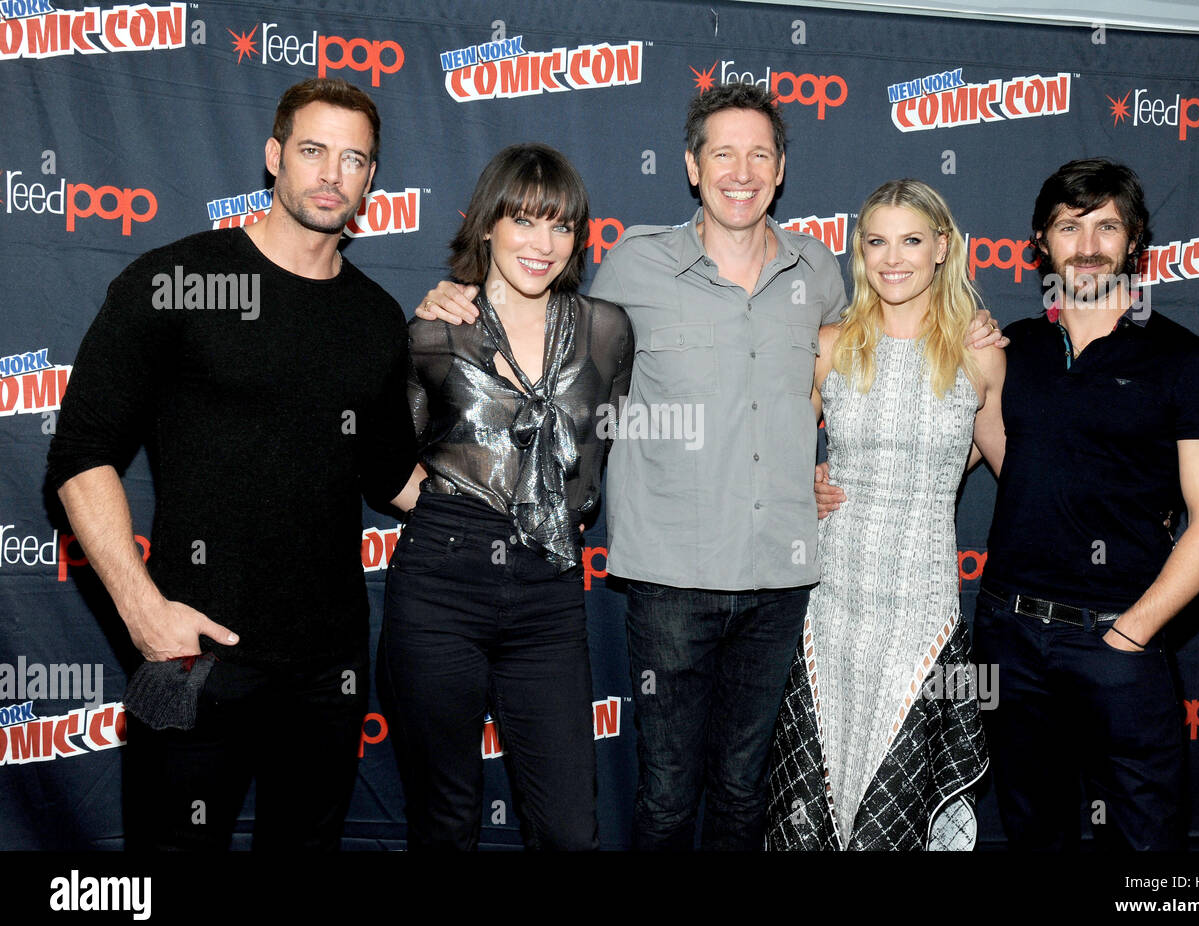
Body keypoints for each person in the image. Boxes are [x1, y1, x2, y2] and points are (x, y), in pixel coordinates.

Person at [415, 84, 1001, 851]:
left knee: (743, 793)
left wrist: (970, 330)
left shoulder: (820, 273)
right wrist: (454, 296)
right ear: (693, 167)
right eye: (722, 152)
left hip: (783, 581)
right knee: (664, 798)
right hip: (669, 578)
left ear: (782, 167)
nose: (741, 169)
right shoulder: (634, 267)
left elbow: (873, 373)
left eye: (760, 153)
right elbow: (545, 324)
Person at [46, 78, 421, 850]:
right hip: (188, 652)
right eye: (313, 151)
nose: (331, 174)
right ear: (274, 156)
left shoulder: (377, 317)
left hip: (328, 672)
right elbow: (81, 455)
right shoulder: (176, 280)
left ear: (371, 181)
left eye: (354, 159)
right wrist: (144, 612)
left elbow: (392, 479)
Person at [973, 158, 1199, 850]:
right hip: (1008, 636)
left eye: (1105, 226)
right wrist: (977, 373)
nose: (1087, 244)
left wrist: (1130, 635)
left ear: (1132, 241)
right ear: (1041, 241)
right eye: (1069, 226)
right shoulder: (1018, 346)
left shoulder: (1188, 361)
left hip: (1119, 642)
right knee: (1035, 832)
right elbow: (1015, 461)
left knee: (1145, 844)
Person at [378, 144, 631, 851]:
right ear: (488, 224)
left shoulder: (607, 331)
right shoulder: (434, 329)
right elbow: (386, 458)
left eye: (560, 226)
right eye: (524, 221)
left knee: (569, 828)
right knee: (446, 819)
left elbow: (600, 453)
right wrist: (446, 513)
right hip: (439, 585)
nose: (542, 244)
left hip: (548, 591)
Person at [765, 179, 1005, 850]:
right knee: (811, 799)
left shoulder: (979, 352)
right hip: (830, 606)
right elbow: (763, 451)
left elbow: (1019, 466)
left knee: (898, 804)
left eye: (911, 240)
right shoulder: (830, 345)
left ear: (942, 249)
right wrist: (798, 486)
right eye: (877, 241)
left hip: (923, 609)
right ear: (859, 250)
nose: (892, 258)